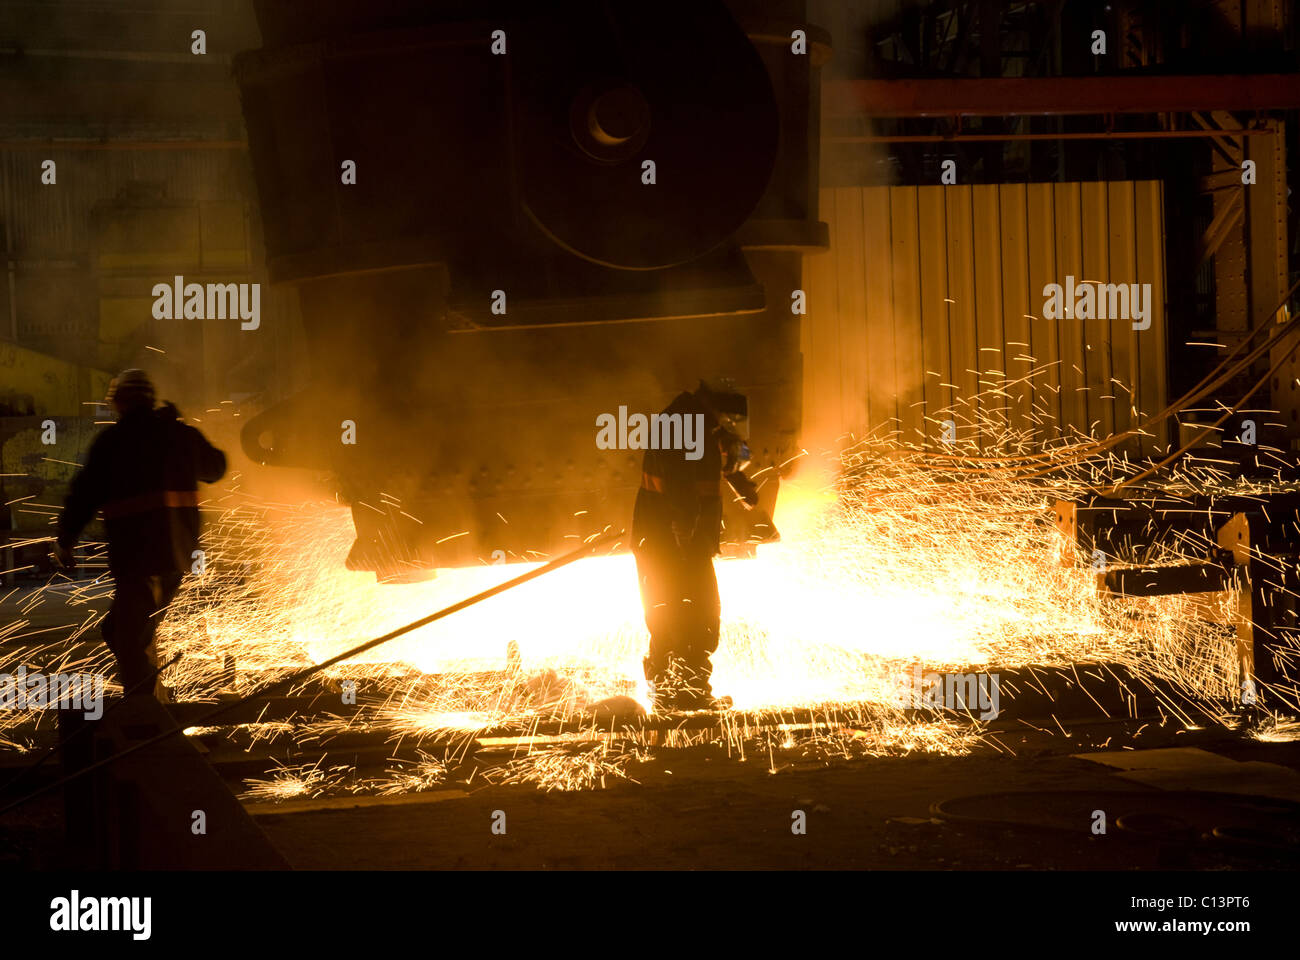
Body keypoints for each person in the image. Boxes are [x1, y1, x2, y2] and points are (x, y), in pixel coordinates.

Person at [55, 370, 227, 700]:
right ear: (149, 399)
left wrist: (65, 539)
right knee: (133, 633)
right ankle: (153, 703)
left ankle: (146, 715)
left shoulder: (112, 443)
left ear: (118, 403)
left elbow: (83, 496)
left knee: (125, 636)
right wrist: (185, 430)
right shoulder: (179, 435)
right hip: (178, 557)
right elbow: (216, 468)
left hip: (136, 560)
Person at [631, 379, 769, 712]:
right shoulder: (684, 427)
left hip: (669, 537)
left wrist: (739, 482)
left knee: (671, 611)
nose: (733, 428)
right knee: (696, 612)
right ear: (719, 412)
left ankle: (670, 693)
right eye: (731, 421)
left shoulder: (697, 422)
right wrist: (684, 525)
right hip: (673, 539)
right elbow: (680, 480)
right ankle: (686, 694)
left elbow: (715, 459)